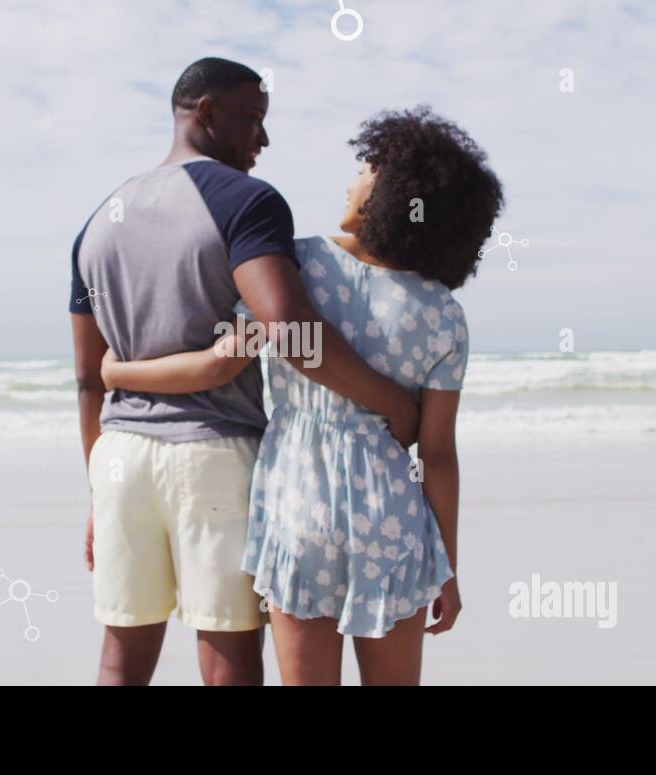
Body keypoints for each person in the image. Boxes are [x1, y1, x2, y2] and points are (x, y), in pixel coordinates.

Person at [101, 105, 504, 684]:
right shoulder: (443, 313)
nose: (352, 178)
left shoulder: (295, 264)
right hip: (391, 525)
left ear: (392, 191)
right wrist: (450, 569)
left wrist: (120, 373)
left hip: (298, 509)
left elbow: (220, 362)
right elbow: (436, 454)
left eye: (366, 169)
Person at [69, 58, 419, 686]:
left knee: (119, 660)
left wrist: (99, 486)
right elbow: (289, 328)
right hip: (213, 455)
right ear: (205, 112)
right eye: (253, 120)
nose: (263, 139)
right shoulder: (247, 201)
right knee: (229, 658)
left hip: (118, 457)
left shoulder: (98, 220)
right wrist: (391, 400)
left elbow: (91, 380)